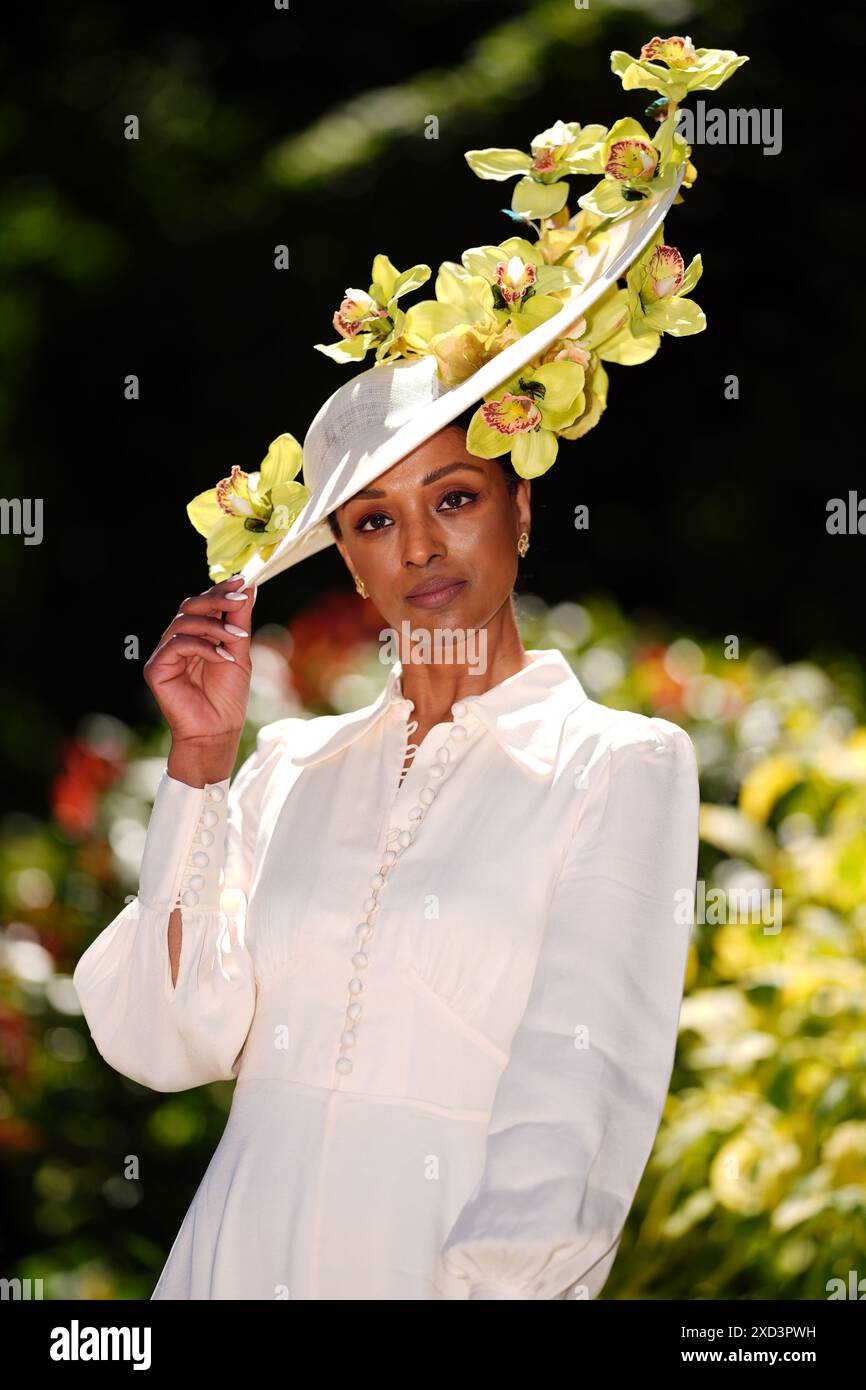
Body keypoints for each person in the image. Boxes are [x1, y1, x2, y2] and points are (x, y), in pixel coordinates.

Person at [70, 39, 749, 1293]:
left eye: (455, 497)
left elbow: (578, 1095)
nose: (421, 545)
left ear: (522, 513)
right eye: (375, 518)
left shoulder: (616, 766)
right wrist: (199, 767)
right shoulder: (280, 766)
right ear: (347, 560)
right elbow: (171, 1039)